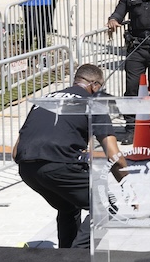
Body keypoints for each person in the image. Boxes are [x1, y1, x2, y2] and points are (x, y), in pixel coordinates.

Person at [14, 65, 128, 249]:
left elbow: (15, 150)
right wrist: (128, 185)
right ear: (95, 86)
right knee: (105, 205)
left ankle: (65, 256)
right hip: (59, 164)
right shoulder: (93, 104)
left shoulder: (45, 99)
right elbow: (114, 155)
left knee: (68, 205)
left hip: (26, 168)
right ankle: (78, 255)